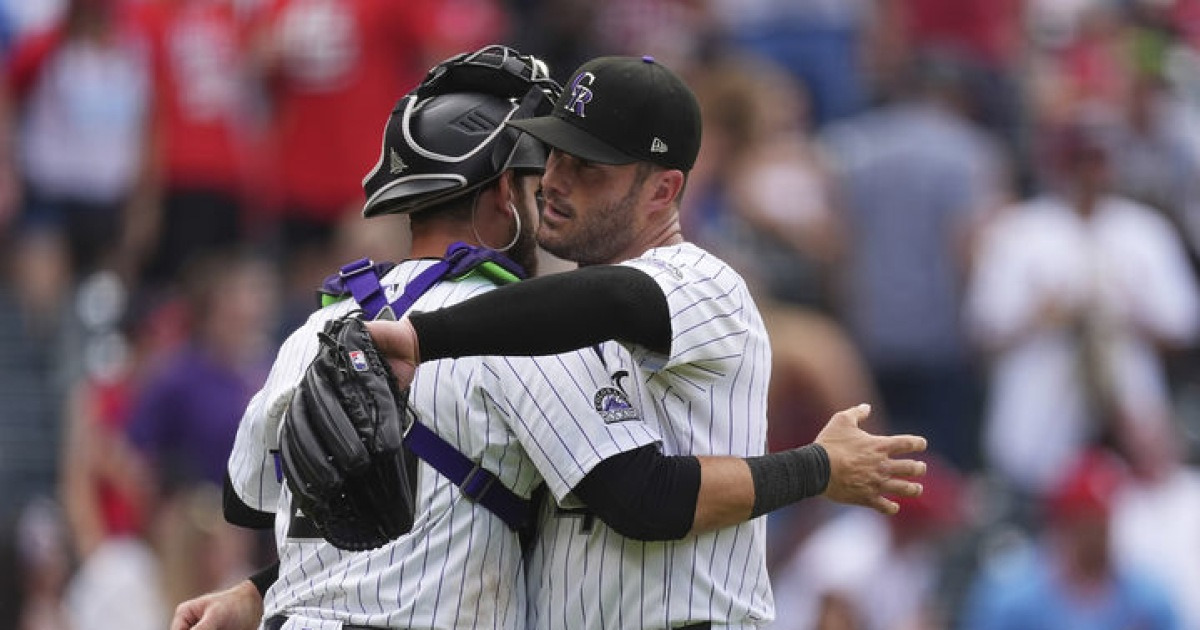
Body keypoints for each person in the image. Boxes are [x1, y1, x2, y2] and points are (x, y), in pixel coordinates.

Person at [174, 49, 927, 630]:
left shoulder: (699, 283)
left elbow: (645, 493)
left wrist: (815, 468)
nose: (558, 182)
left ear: (663, 189)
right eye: (551, 156)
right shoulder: (534, 321)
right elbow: (418, 504)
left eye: (587, 168)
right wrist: (262, 589)